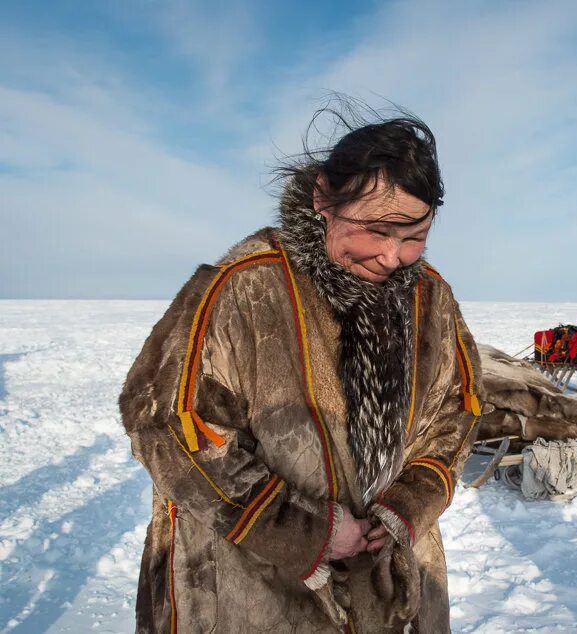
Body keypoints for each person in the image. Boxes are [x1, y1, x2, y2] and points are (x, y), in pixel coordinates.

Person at [119, 104, 482, 633]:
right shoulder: (245, 286)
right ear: (323, 199)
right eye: (376, 231)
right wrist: (302, 530)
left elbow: (457, 410)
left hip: (387, 588)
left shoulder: (431, 298)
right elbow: (169, 423)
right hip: (256, 587)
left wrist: (408, 505)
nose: (391, 257)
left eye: (413, 237)